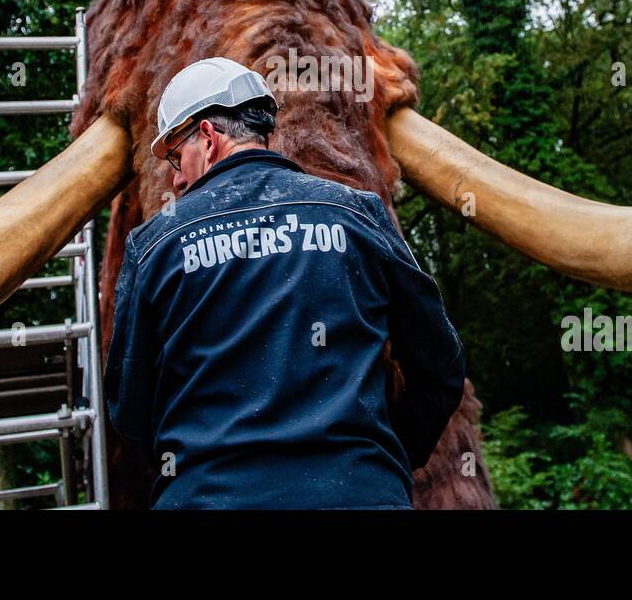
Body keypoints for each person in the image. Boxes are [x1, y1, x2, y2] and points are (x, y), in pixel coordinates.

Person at [104, 57, 466, 509]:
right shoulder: (356, 213)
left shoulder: (155, 244)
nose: (176, 178)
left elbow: (130, 410)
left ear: (209, 138)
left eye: (177, 156)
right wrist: (385, 462)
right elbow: (442, 365)